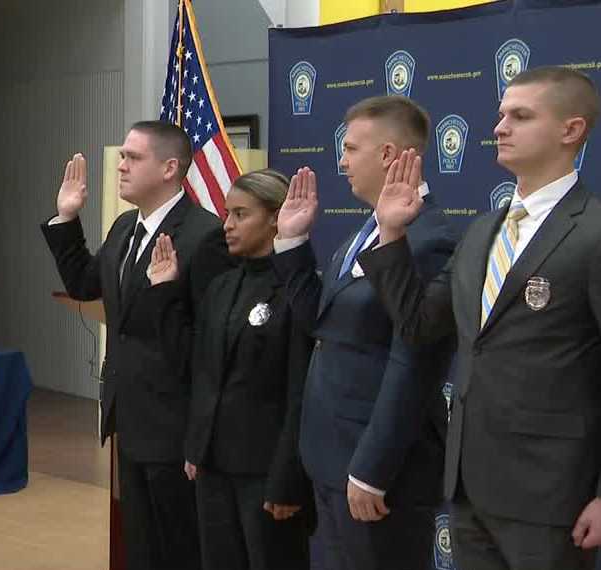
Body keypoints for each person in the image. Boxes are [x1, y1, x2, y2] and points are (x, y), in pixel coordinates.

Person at [358, 66, 601, 569]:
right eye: (500, 115)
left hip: (556, 497)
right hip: (469, 487)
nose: (499, 127)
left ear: (571, 130)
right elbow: (420, 324)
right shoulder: (483, 230)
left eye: (520, 115)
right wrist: (392, 236)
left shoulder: (594, 230)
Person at [272, 95, 457, 569]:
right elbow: (322, 322)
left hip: (378, 471)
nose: (341, 160)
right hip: (331, 458)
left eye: (352, 149)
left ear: (390, 156)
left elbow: (413, 364)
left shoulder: (428, 238)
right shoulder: (365, 230)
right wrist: (292, 242)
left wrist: (372, 469)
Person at [41, 120, 230, 570]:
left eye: (132, 157)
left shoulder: (203, 235)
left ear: (169, 168)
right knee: (140, 545)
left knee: (179, 548)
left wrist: (198, 437)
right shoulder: (126, 226)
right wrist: (67, 219)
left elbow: (209, 343)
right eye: (122, 156)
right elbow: (87, 284)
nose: (120, 166)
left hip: (175, 423)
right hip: (129, 415)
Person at [142, 169, 314, 570]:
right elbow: (197, 369)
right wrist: (165, 293)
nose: (227, 225)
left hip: (266, 474)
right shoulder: (222, 286)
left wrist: (287, 477)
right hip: (213, 466)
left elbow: (300, 391)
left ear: (276, 217)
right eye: (226, 214)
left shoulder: (297, 289)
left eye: (240, 214)